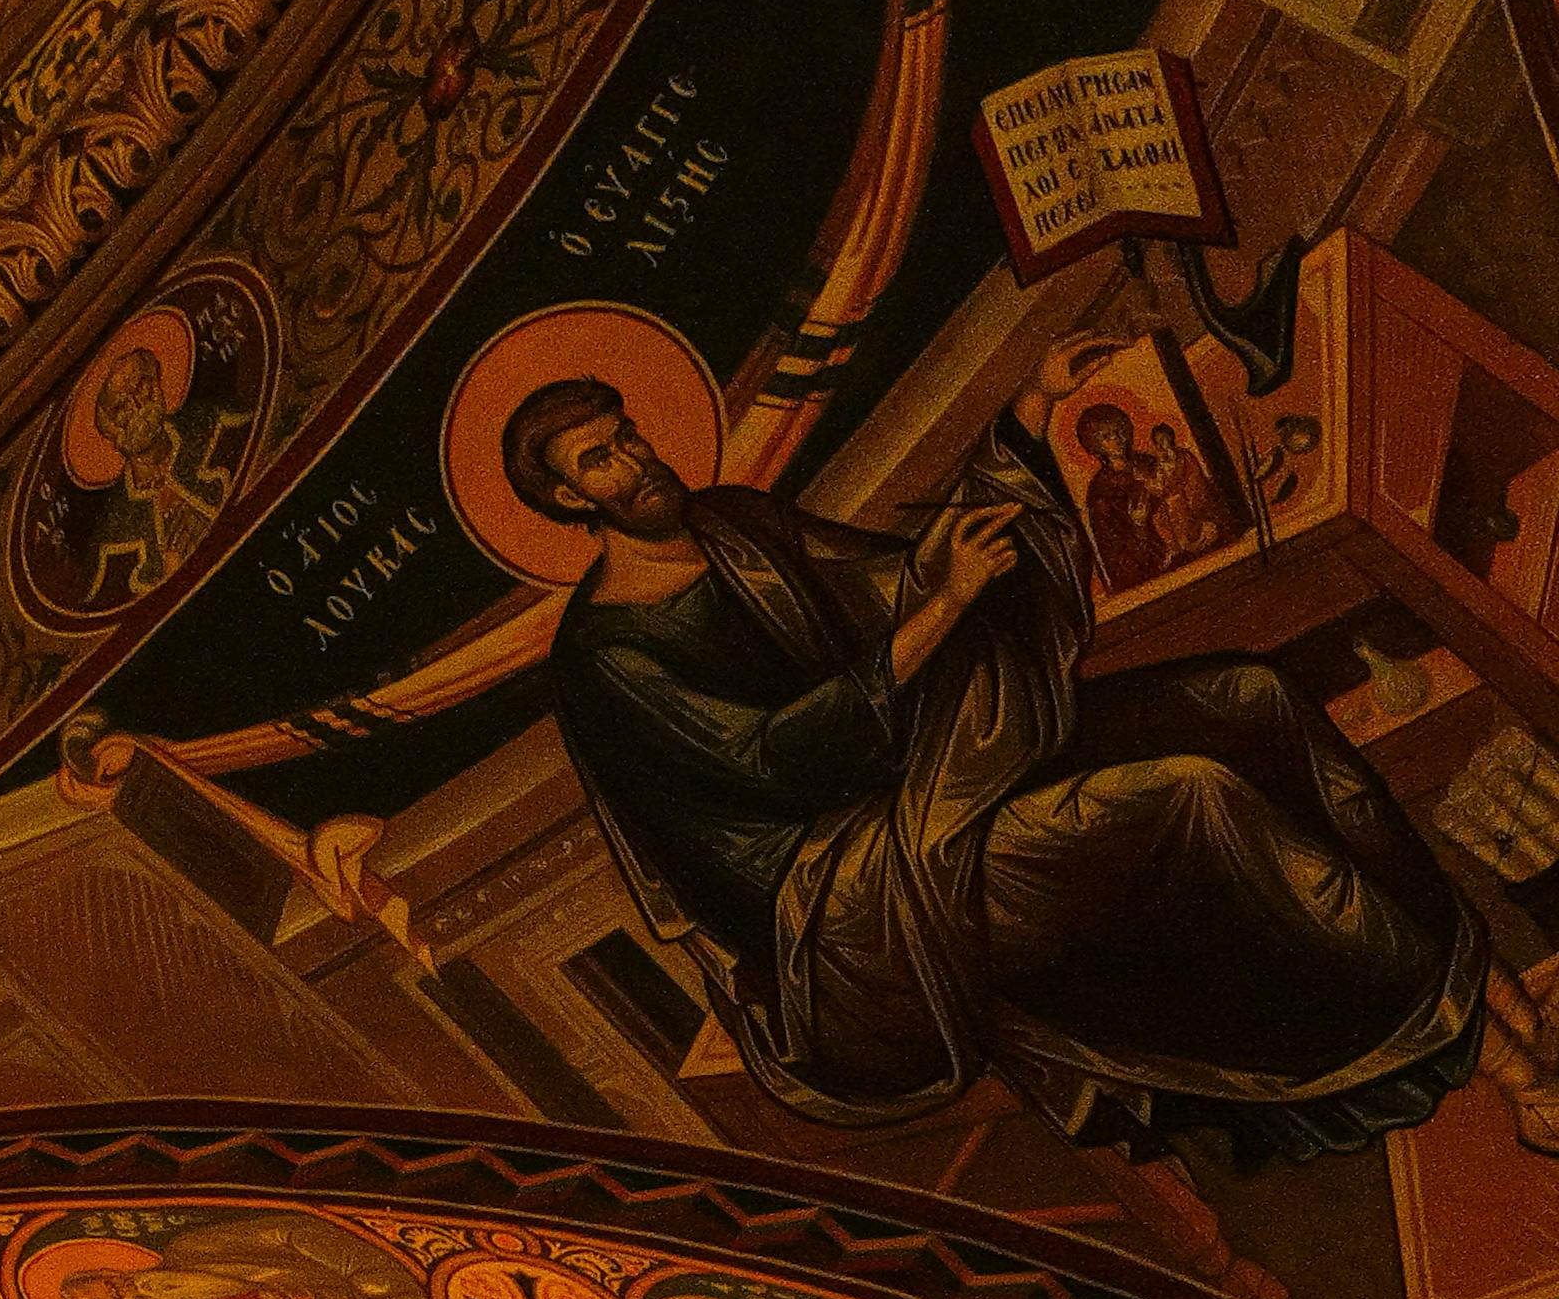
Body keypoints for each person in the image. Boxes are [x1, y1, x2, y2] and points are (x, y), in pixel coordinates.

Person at [504, 372, 1476, 1175]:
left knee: (1244, 692)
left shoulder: (729, 525)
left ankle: (1439, 933)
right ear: (565, 500)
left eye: (626, 434)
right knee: (1191, 793)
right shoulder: (605, 657)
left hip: (935, 766)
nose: (634, 460)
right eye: (600, 459)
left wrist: (1021, 420)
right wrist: (942, 608)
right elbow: (776, 761)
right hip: (855, 892)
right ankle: (1429, 1015)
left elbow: (897, 578)